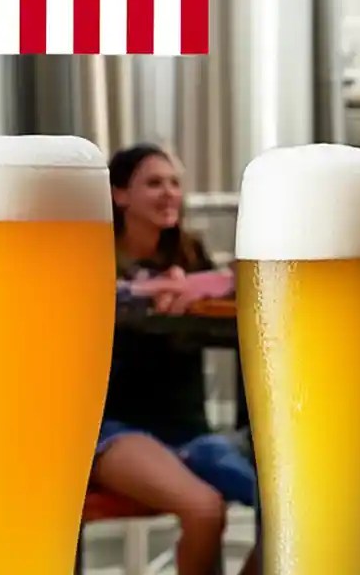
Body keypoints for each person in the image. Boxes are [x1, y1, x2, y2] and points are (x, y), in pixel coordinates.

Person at [94, 144, 258, 575]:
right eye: (153, 183)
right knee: (205, 510)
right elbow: (93, 295)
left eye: (174, 183)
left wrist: (195, 286)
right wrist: (147, 291)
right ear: (119, 195)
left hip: (188, 431)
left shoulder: (188, 255)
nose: (169, 193)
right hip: (115, 429)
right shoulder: (93, 253)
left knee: (288, 515)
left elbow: (239, 279)